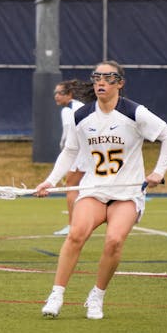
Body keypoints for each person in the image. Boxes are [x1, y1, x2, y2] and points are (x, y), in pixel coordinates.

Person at [35, 61, 167, 320]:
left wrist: (159, 172)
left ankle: (97, 296)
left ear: (120, 83)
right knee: (76, 234)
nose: (100, 82)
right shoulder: (82, 116)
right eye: (96, 77)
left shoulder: (135, 112)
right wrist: (51, 180)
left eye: (108, 77)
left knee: (114, 240)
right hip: (94, 189)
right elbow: (70, 151)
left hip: (127, 193)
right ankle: (56, 294)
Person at [50, 79, 94, 236]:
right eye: (55, 92)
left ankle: (73, 225)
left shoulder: (68, 110)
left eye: (60, 93)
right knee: (82, 187)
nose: (56, 96)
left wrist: (64, 149)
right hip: (87, 151)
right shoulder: (78, 106)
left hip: (80, 153)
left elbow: (69, 132)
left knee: (71, 186)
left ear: (69, 94)